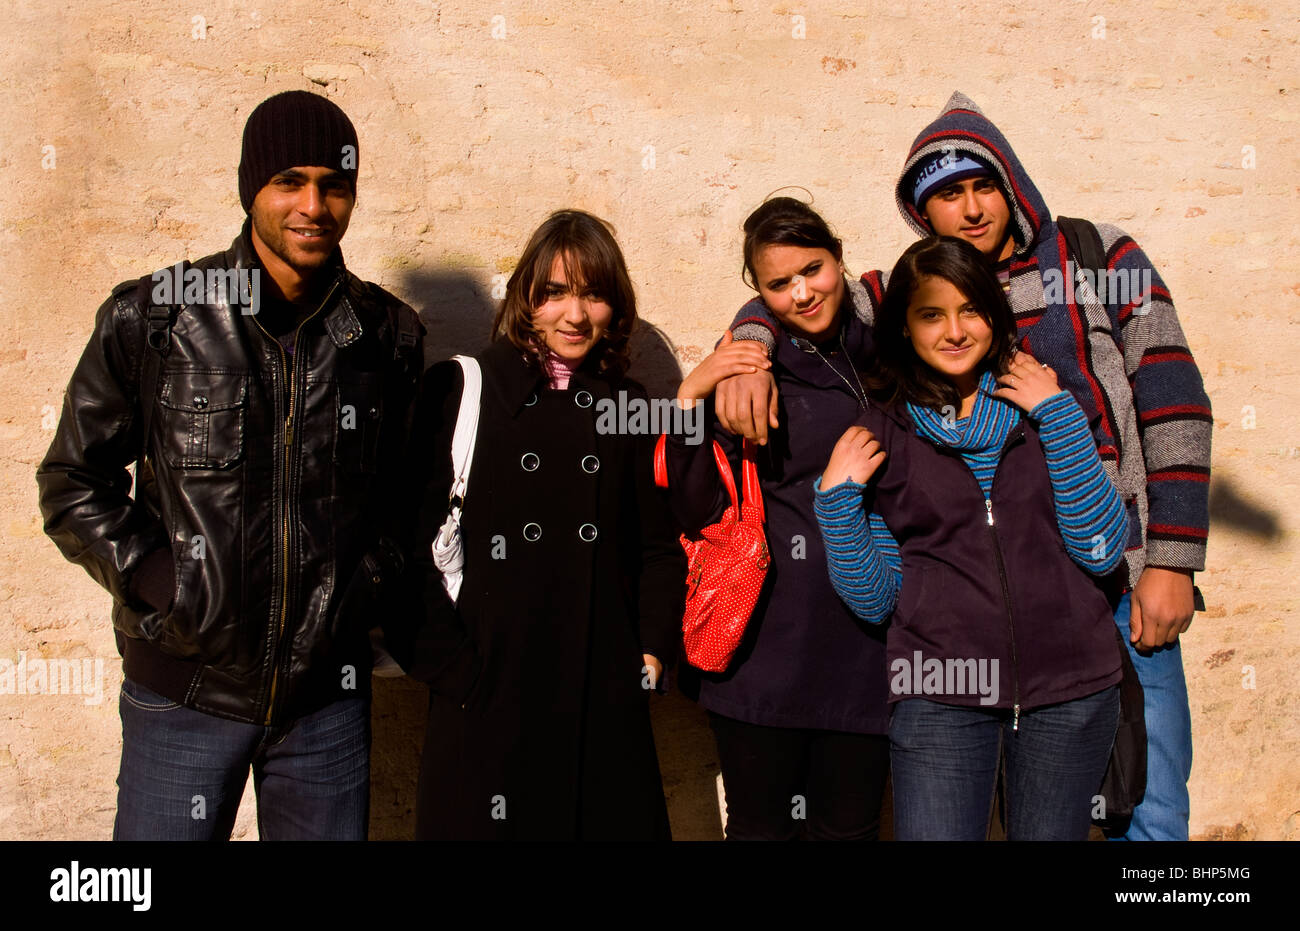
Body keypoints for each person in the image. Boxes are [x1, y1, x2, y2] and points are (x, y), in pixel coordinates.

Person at [718, 93, 1211, 840]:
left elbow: (1174, 403)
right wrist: (749, 346)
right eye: (947, 195)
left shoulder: (1098, 257)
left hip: (1123, 573)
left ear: (1012, 183)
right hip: (970, 627)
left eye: (983, 185)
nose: (972, 210)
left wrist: (1173, 560)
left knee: (1151, 805)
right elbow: (802, 293)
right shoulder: (903, 292)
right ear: (923, 214)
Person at [36, 90, 423, 840]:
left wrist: (363, 590)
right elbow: (73, 481)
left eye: (334, 184)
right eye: (290, 181)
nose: (314, 204)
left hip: (326, 703)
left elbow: (405, 498)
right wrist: (165, 584)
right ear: (252, 188)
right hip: (184, 692)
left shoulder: (387, 337)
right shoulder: (158, 317)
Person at [816, 236, 1127, 839]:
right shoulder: (882, 431)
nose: (954, 331)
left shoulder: (1048, 403)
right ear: (904, 327)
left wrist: (1059, 416)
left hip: (1070, 687)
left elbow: (1101, 549)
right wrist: (837, 505)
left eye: (971, 310)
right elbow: (877, 601)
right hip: (939, 694)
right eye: (931, 314)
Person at [390, 209, 683, 840]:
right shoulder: (464, 389)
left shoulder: (627, 405)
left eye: (594, 294)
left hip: (601, 706)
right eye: (555, 292)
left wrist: (651, 655)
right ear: (527, 297)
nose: (575, 315)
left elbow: (656, 548)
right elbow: (406, 549)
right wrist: (459, 673)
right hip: (489, 705)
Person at [663, 197, 890, 841]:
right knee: (764, 831)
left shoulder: (890, 348)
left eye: (812, 270)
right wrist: (690, 396)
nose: (802, 293)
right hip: (766, 654)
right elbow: (693, 504)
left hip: (870, 651)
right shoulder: (751, 372)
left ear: (839, 258)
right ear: (758, 293)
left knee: (850, 831)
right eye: (777, 285)